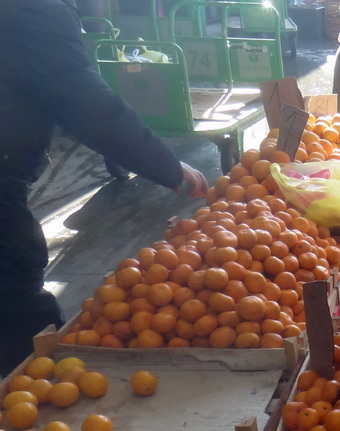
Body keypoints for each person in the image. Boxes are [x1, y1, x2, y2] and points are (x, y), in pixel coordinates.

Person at [0, 0, 208, 374]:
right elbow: (87, 104)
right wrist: (166, 163)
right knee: (23, 313)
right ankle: (37, 404)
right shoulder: (32, 10)